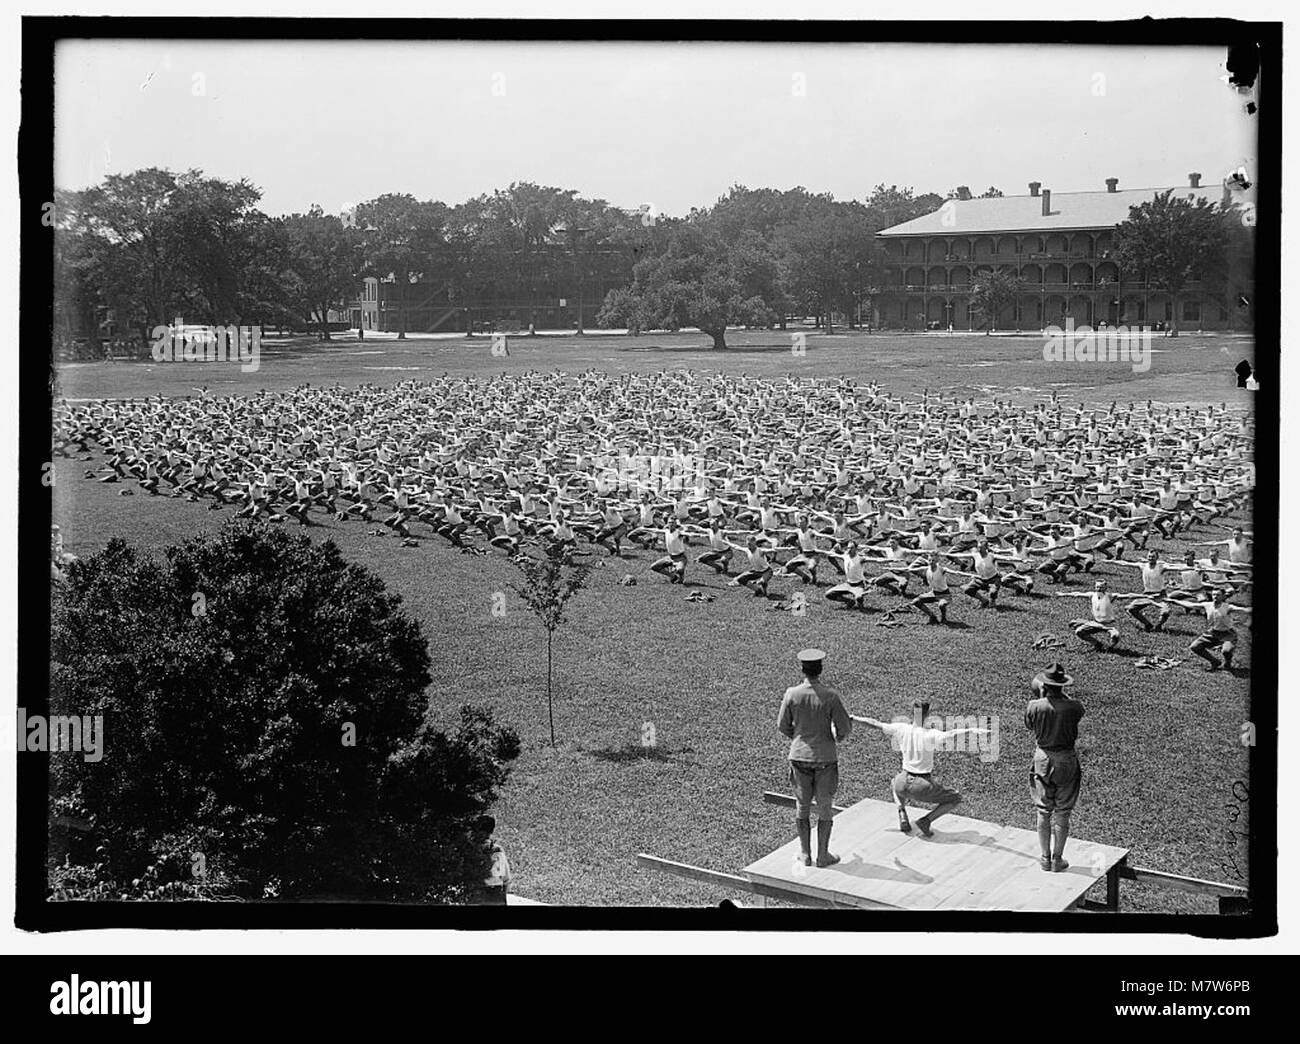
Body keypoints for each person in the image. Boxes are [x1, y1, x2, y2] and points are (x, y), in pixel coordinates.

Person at [852, 700, 989, 837]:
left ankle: (902, 812)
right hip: (922, 786)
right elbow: (952, 734)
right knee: (955, 798)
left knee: (895, 782)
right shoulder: (931, 734)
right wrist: (972, 730)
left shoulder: (901, 728)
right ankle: (926, 821)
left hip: (903, 782)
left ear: (912, 713)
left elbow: (874, 723)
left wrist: (852, 718)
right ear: (928, 714)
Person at [777, 649, 852, 867]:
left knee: (802, 806)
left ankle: (805, 853)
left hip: (799, 756)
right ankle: (823, 855)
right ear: (820, 669)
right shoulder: (830, 696)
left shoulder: (792, 694)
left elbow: (782, 725)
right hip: (825, 758)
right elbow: (844, 728)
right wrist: (835, 738)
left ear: (803, 669)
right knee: (825, 806)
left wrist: (799, 738)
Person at [1024, 663, 1085, 872]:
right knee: (1063, 812)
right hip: (1066, 759)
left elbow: (1030, 725)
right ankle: (1058, 858)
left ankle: (1044, 857)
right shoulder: (1075, 706)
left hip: (1042, 758)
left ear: (1045, 685)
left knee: (1043, 810)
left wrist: (1043, 695)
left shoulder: (1034, 705)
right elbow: (1072, 708)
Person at [473, 814, 510, 905]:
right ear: (491, 831)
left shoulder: (470, 849)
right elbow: (505, 877)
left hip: (475, 893)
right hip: (495, 894)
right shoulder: (497, 850)